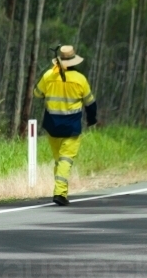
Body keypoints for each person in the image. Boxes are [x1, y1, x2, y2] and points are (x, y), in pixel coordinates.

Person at [33, 45, 98, 206]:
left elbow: (37, 93)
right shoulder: (80, 79)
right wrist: (92, 119)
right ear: (74, 61)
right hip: (71, 128)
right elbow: (90, 103)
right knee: (65, 160)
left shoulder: (49, 75)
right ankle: (60, 193)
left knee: (59, 161)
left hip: (52, 126)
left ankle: (61, 190)